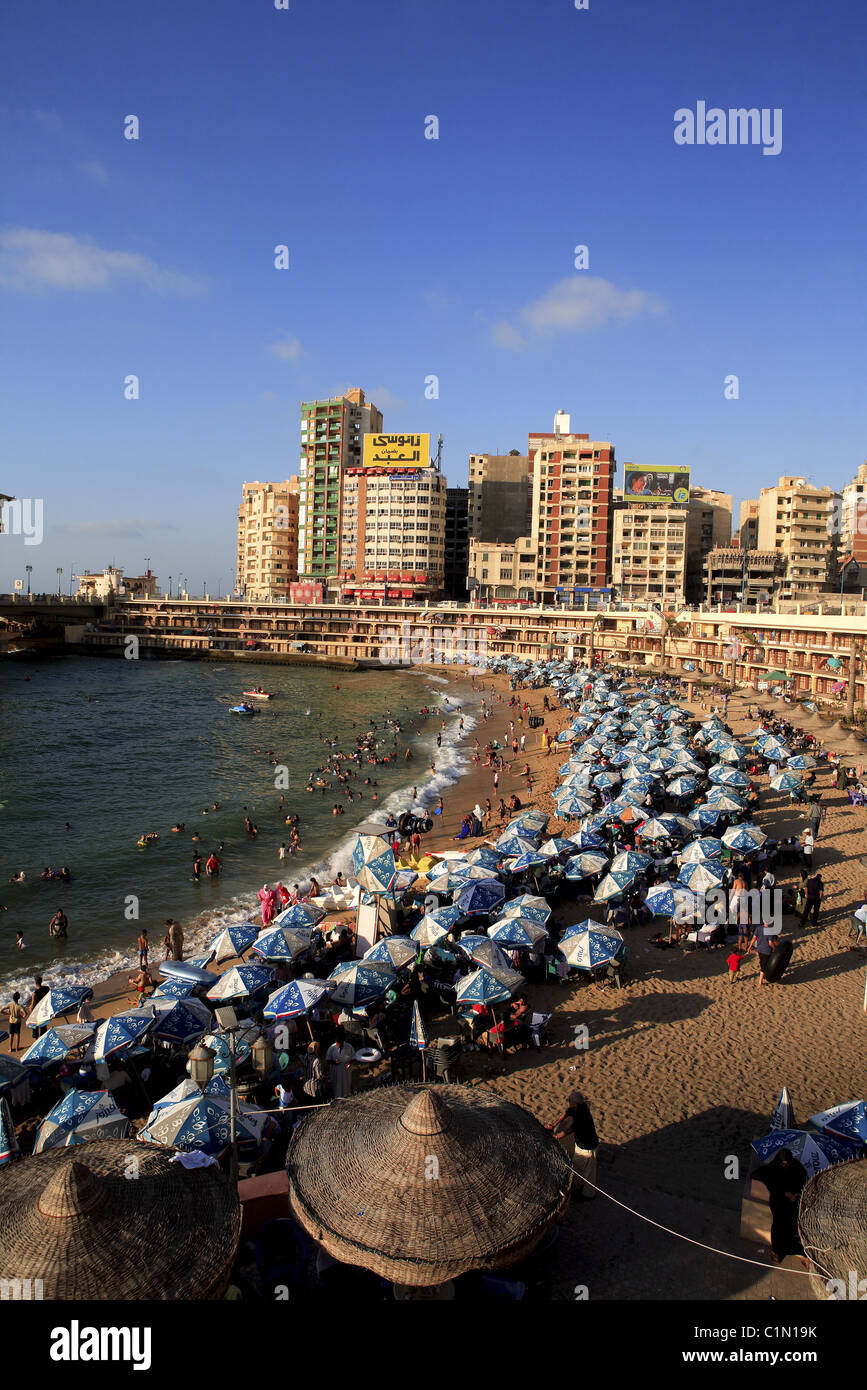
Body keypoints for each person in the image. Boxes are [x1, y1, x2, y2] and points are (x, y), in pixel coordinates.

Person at [751, 1148, 809, 1265]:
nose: (785, 1165)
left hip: (792, 1203)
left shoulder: (797, 1167)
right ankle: (777, 1251)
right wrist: (785, 1193)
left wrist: (796, 1194)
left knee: (791, 1226)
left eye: (787, 1163)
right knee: (778, 1225)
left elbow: (802, 1180)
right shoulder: (773, 1168)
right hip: (778, 1201)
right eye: (783, 1163)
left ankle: (793, 1249)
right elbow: (771, 1183)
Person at [549, 1090, 599, 1199]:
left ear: (575, 1103)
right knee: (577, 1166)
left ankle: (588, 1195)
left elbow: (567, 1131)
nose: (569, 1102)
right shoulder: (578, 1107)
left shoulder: (582, 1117)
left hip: (588, 1147)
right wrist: (553, 1125)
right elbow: (566, 1113)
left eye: (570, 1101)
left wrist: (555, 1137)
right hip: (580, 1145)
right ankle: (578, 1186)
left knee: (589, 1173)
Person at [326, 1026, 355, 1099]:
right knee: (337, 1086)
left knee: (346, 1084)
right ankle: (337, 1097)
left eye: (339, 1043)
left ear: (342, 1042)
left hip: (346, 1070)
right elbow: (328, 1060)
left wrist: (349, 1063)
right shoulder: (331, 1048)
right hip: (336, 1070)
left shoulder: (349, 1047)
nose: (337, 1045)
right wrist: (334, 1062)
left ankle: (347, 1095)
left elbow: (354, 1057)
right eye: (336, 1043)